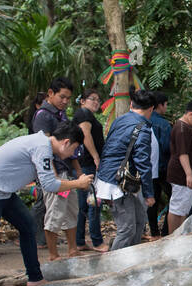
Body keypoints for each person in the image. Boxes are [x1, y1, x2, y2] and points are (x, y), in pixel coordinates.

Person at [0, 123, 93, 286]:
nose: (73, 154)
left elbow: (47, 180)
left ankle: (35, 278)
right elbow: (50, 184)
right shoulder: (42, 147)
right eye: (74, 149)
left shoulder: (43, 144)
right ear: (66, 143)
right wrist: (78, 183)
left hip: (4, 192)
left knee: (28, 226)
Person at [96, 90, 156, 250]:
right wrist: (149, 194)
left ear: (131, 104)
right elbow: (143, 163)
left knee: (139, 220)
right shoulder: (142, 129)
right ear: (151, 109)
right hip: (116, 183)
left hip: (109, 177)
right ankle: (114, 266)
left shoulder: (119, 120)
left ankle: (131, 259)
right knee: (127, 228)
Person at [29, 77, 75, 241]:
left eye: (68, 98)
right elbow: (44, 147)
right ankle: (51, 252)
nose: (65, 101)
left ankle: (72, 248)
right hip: (54, 171)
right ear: (50, 93)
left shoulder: (61, 114)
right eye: (62, 97)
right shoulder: (43, 115)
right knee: (55, 212)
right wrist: (52, 175)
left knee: (70, 210)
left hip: (65, 170)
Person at [71, 89, 108, 252]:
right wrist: (96, 157)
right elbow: (86, 135)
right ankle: (96, 241)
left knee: (85, 205)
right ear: (82, 101)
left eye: (98, 100)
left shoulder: (87, 114)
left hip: (86, 164)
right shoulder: (83, 114)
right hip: (87, 164)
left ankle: (79, 240)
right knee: (93, 203)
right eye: (92, 99)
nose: (96, 102)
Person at [166, 100, 192, 233]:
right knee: (176, 208)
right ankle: (173, 236)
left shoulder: (187, 127)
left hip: (187, 174)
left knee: (183, 207)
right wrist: (189, 174)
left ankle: (181, 233)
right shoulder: (182, 129)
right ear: (190, 114)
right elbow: (182, 153)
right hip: (181, 174)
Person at [147, 93, 172, 239]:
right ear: (160, 105)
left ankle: (154, 232)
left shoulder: (145, 120)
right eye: (166, 104)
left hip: (148, 169)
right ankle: (166, 231)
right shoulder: (163, 124)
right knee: (174, 197)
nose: (166, 107)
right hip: (163, 167)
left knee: (152, 199)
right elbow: (167, 147)